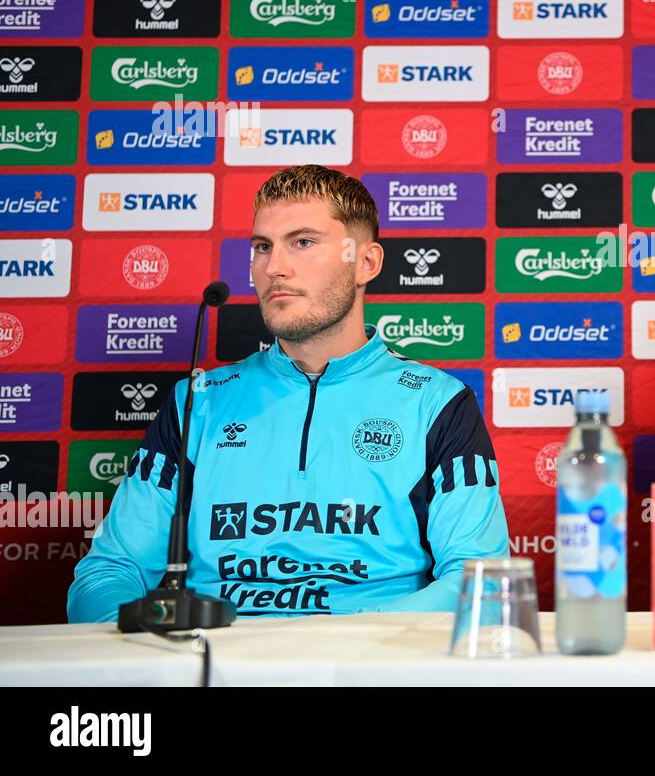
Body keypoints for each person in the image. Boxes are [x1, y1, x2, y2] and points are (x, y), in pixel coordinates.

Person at [68, 166, 508, 621]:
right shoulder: (197, 401)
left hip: (367, 666)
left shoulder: (436, 402)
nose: (274, 267)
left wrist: (340, 654)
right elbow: (107, 575)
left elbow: (480, 581)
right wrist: (169, 645)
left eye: (303, 242)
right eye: (263, 247)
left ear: (367, 263)